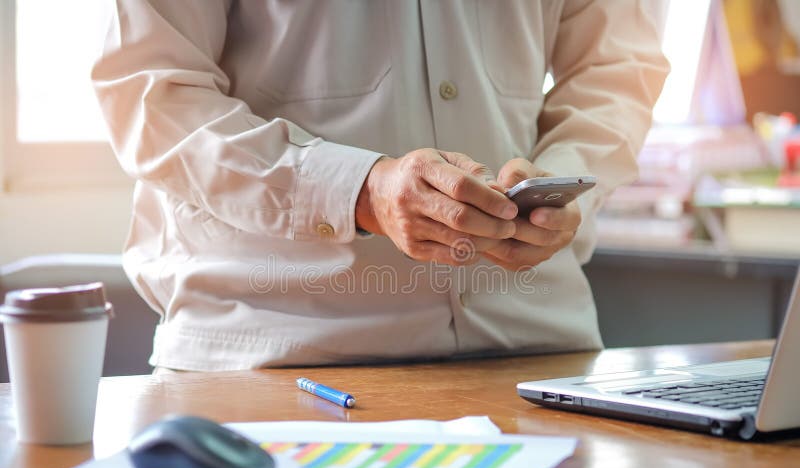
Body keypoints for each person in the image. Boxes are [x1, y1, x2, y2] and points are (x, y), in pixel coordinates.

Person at [92, 1, 669, 372]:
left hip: (537, 353)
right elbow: (151, 92)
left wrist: (565, 182)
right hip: (275, 361)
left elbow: (616, 69)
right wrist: (359, 191)